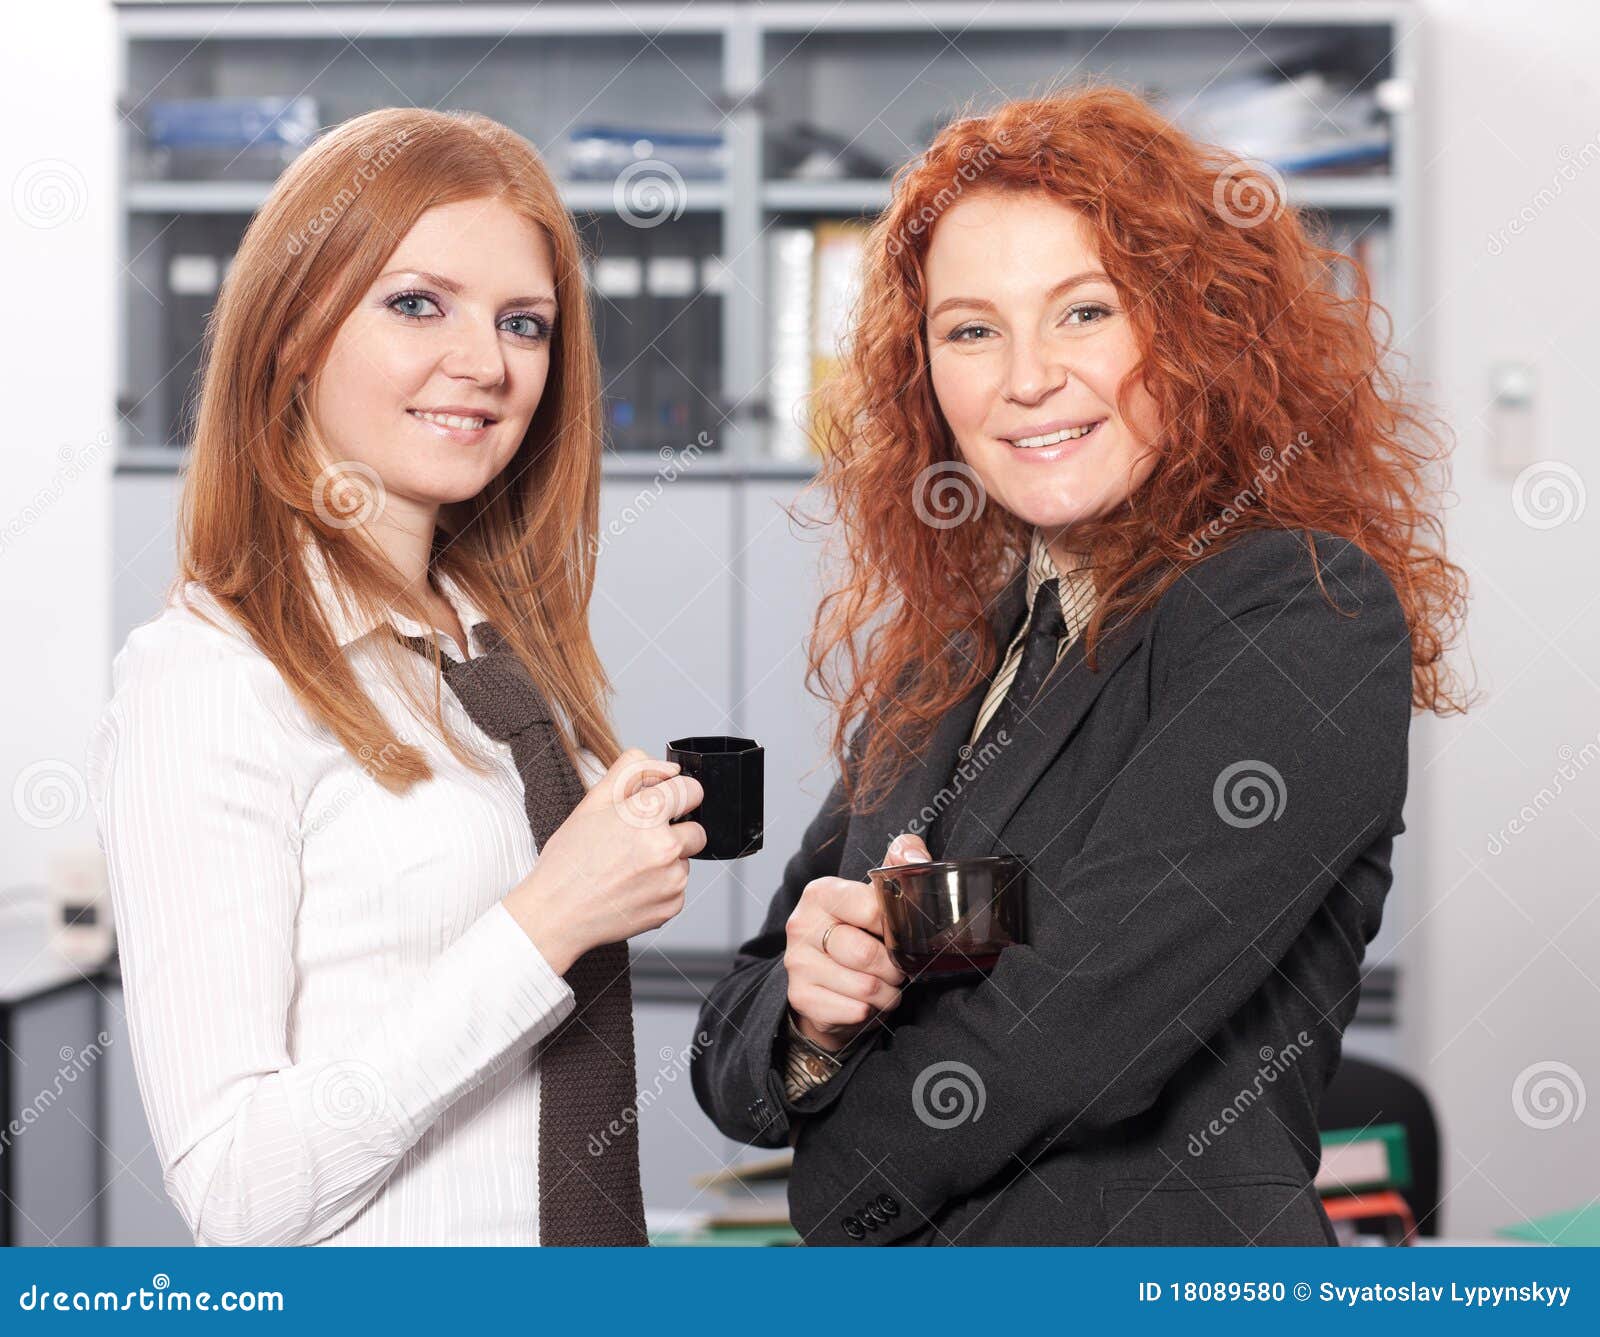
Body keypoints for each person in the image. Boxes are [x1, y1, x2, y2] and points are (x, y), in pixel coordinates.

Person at [690, 86, 1469, 1246]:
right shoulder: (948, 658)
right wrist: (814, 1014)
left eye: (1084, 312)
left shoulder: (1298, 610)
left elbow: (1061, 1037)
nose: (1025, 378)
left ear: (1197, 329)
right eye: (969, 329)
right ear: (926, 379)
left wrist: (831, 1185)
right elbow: (733, 1036)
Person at [86, 108, 705, 1246]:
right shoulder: (207, 677)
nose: (485, 364)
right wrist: (546, 919)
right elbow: (236, 1195)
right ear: (294, 331)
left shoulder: (497, 654)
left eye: (524, 322)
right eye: (417, 302)